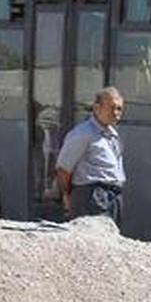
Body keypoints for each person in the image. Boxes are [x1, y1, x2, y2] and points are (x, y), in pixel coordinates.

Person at [55, 87, 126, 225]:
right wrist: (67, 197)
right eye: (112, 108)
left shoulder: (112, 134)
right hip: (92, 196)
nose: (116, 113)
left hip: (114, 196)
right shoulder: (83, 133)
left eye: (119, 109)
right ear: (97, 108)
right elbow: (63, 169)